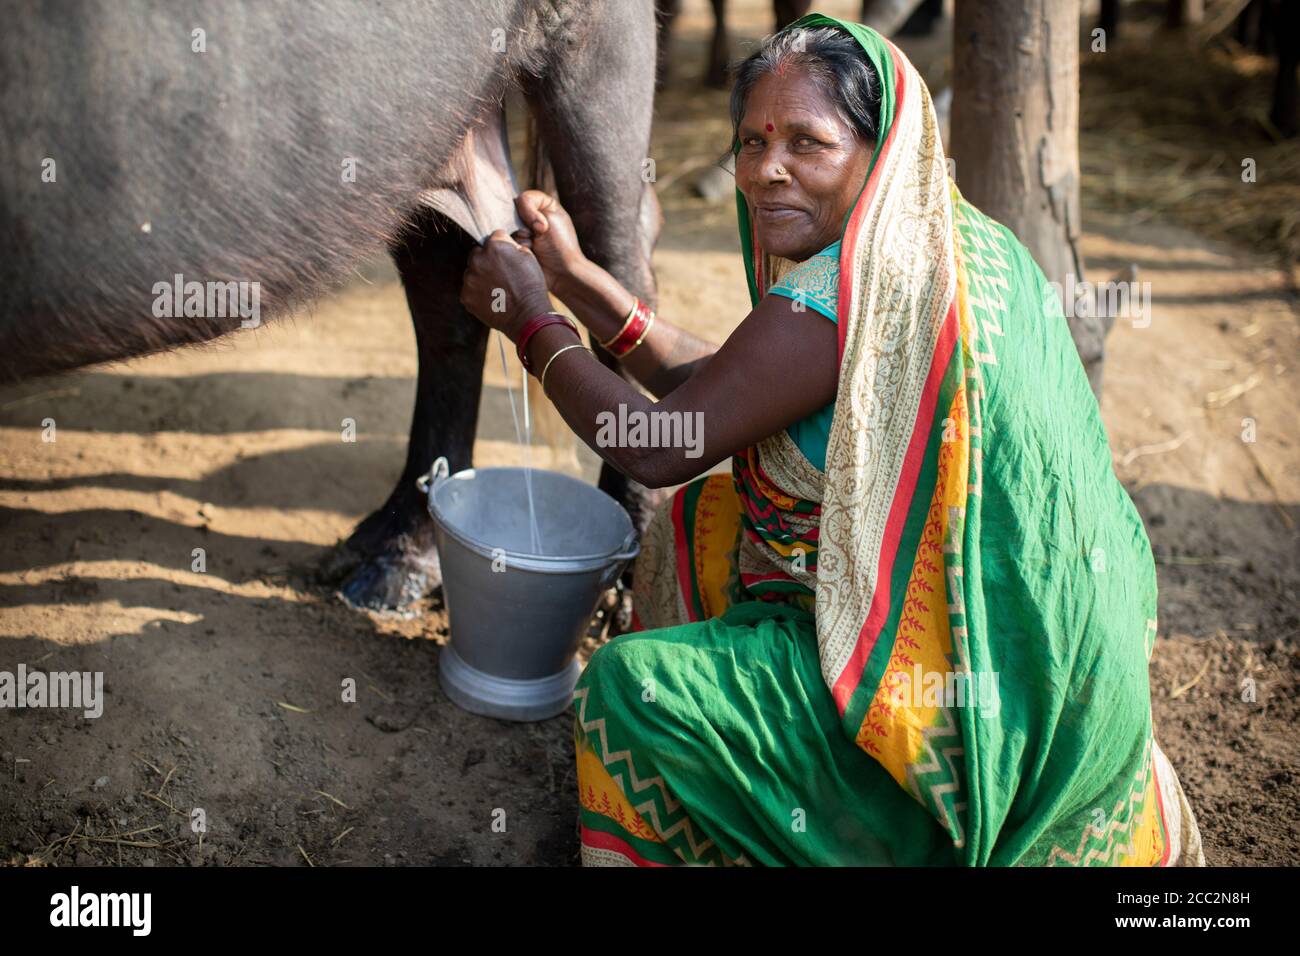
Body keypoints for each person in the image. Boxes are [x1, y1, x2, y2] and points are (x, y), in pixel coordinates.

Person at [458, 13, 1204, 867]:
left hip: (945, 740)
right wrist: (581, 282)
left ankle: (845, 825)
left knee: (628, 691)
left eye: (807, 143)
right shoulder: (954, 247)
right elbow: (737, 381)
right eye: (750, 142)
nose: (767, 170)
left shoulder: (844, 297)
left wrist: (531, 323)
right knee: (710, 516)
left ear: (878, 152)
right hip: (1035, 679)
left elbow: (655, 445)